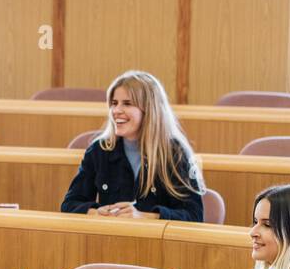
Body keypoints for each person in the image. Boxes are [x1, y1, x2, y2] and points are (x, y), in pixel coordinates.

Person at [60, 70, 205, 221]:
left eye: (127, 104)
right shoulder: (99, 150)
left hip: (156, 242)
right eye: (114, 103)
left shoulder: (176, 153)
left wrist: (143, 216)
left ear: (149, 110)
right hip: (111, 239)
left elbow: (194, 216)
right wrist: (98, 213)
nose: (116, 111)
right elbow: (69, 205)